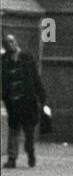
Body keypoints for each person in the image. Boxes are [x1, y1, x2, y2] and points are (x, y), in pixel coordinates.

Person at [2, 33, 47, 169]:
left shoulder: (27, 57)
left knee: (29, 131)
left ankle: (30, 152)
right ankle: (12, 158)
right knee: (14, 129)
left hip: (27, 100)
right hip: (13, 101)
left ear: (16, 42)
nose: (10, 44)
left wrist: (42, 96)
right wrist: (5, 95)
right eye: (7, 43)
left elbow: (35, 78)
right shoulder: (3, 60)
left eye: (12, 41)